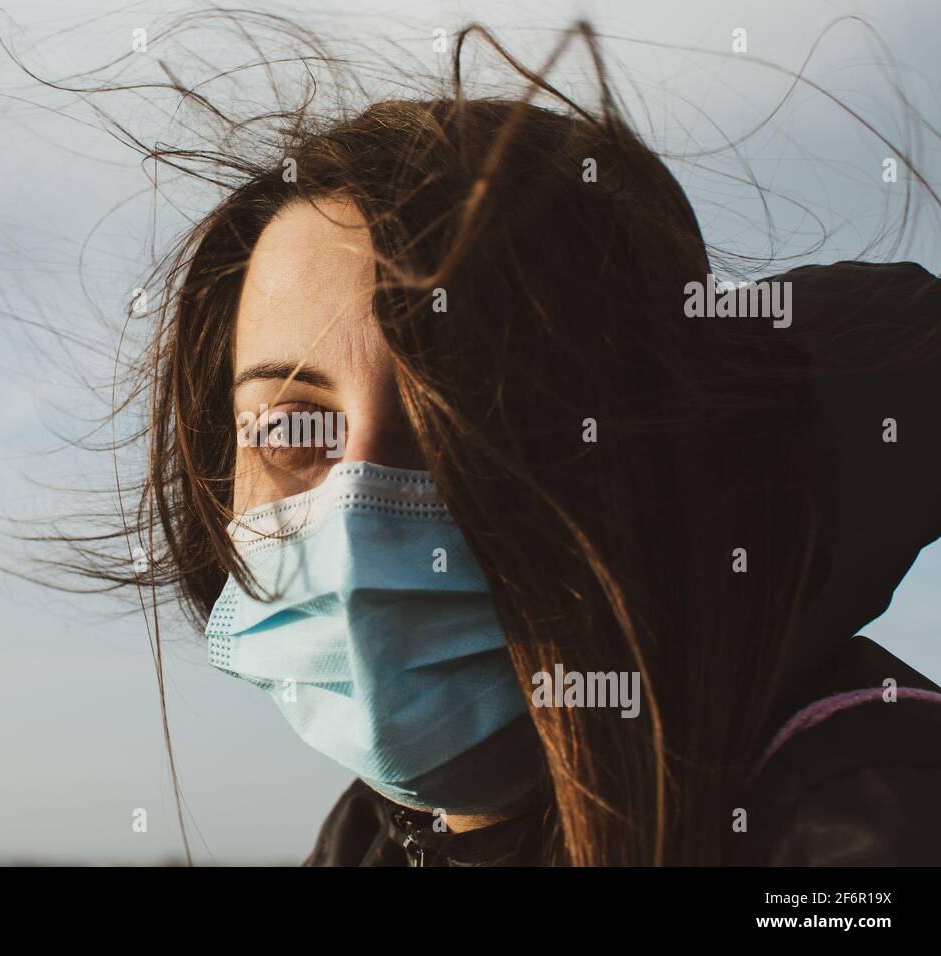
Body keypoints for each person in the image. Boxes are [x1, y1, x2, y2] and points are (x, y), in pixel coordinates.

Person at [77, 23, 941, 865]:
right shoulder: (375, 836)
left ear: (653, 451)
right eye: (290, 429)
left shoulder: (864, 808)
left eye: (462, 420)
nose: (357, 508)